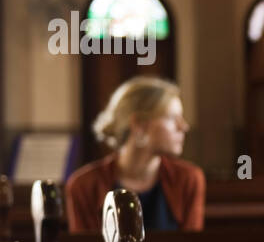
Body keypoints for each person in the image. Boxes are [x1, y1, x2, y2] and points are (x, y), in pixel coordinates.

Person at [65, 76, 203, 233]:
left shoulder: (189, 179)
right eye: (172, 118)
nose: (183, 126)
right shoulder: (84, 185)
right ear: (139, 125)